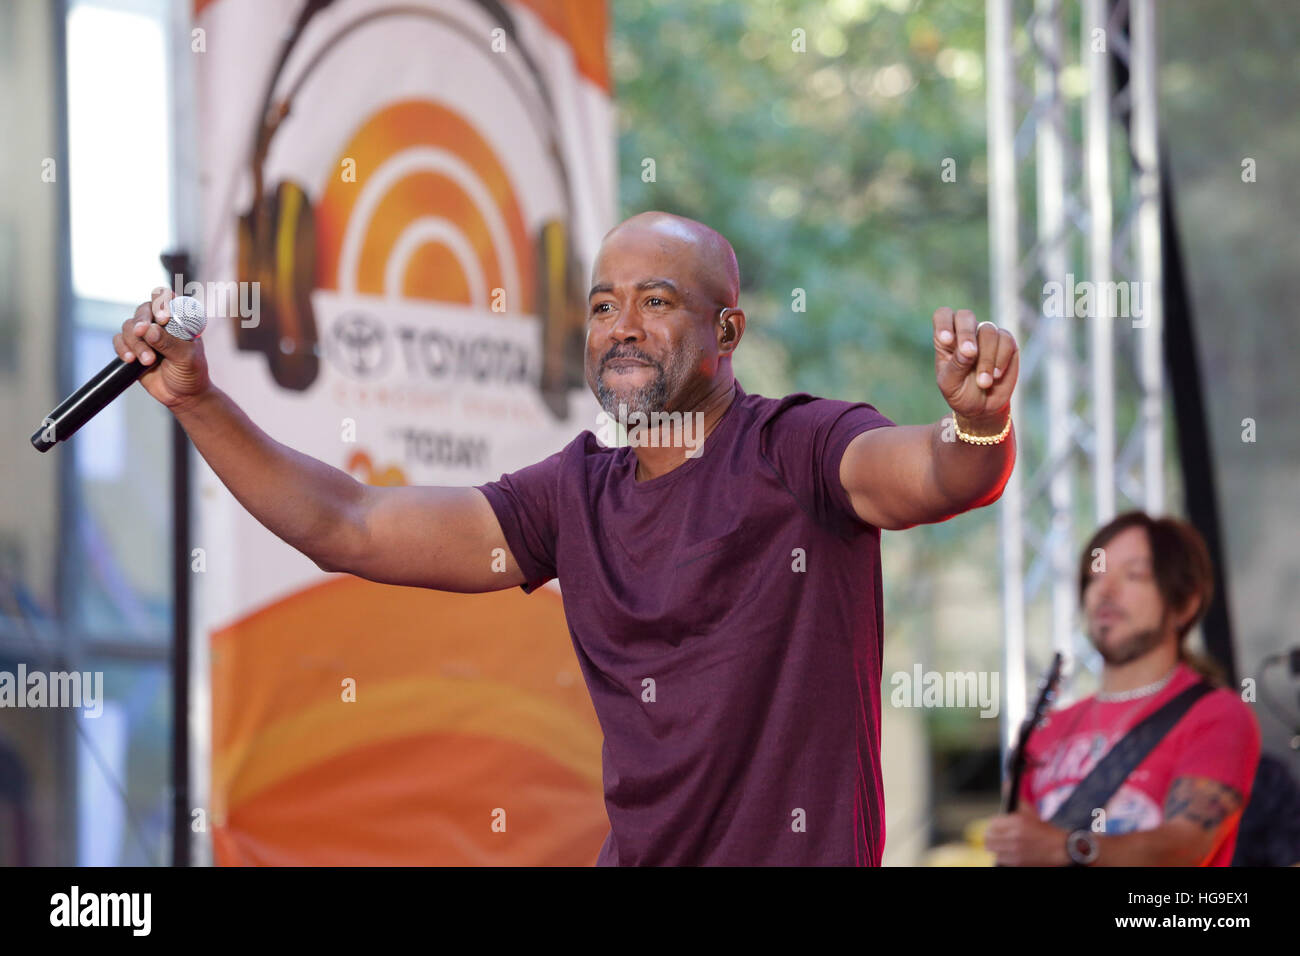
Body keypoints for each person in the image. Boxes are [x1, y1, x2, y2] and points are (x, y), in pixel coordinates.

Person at [116, 211, 1019, 865]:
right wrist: (198, 400)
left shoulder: (798, 447)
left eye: (655, 301)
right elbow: (347, 526)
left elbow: (935, 478)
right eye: (600, 307)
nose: (621, 327)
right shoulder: (573, 495)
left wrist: (976, 426)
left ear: (726, 331)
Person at [985, 511, 1261, 866]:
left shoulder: (1217, 715)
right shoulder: (1045, 729)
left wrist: (1068, 848)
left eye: (1134, 575)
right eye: (1095, 575)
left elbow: (1188, 847)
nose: (1106, 589)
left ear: (1185, 604)